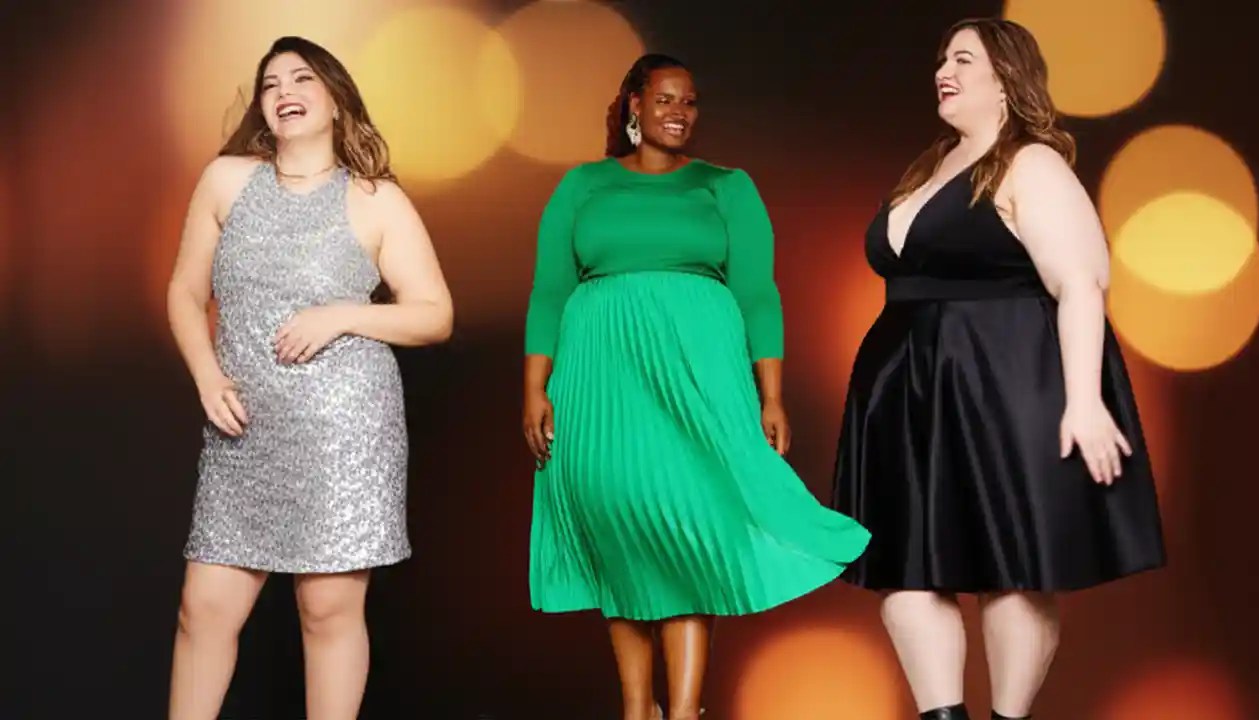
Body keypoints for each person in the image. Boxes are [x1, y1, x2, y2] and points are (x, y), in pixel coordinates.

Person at [830, 18, 1165, 720]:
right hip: (907, 392)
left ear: (1006, 80)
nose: (942, 70)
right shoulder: (932, 163)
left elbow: (1080, 281)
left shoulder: (1031, 163)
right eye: (940, 56)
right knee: (907, 568)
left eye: (963, 58)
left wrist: (1084, 401)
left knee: (1011, 566)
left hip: (1003, 382)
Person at [522, 53, 870, 720]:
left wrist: (770, 394)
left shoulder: (727, 186)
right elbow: (548, 292)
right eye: (665, 100)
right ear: (633, 106)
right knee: (618, 528)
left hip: (700, 381)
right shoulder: (582, 186)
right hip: (601, 380)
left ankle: (683, 712)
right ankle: (635, 708)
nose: (680, 113)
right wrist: (535, 388)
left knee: (690, 529)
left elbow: (758, 296)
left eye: (690, 102)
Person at [165, 36, 453, 720]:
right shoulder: (226, 180)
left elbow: (435, 314)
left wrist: (343, 315)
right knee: (202, 607)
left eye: (301, 78)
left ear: (334, 99)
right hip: (244, 427)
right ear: (263, 107)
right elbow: (183, 291)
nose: (284, 90)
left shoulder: (376, 199)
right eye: (271, 83)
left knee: (326, 609)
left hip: (342, 431)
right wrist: (207, 375)